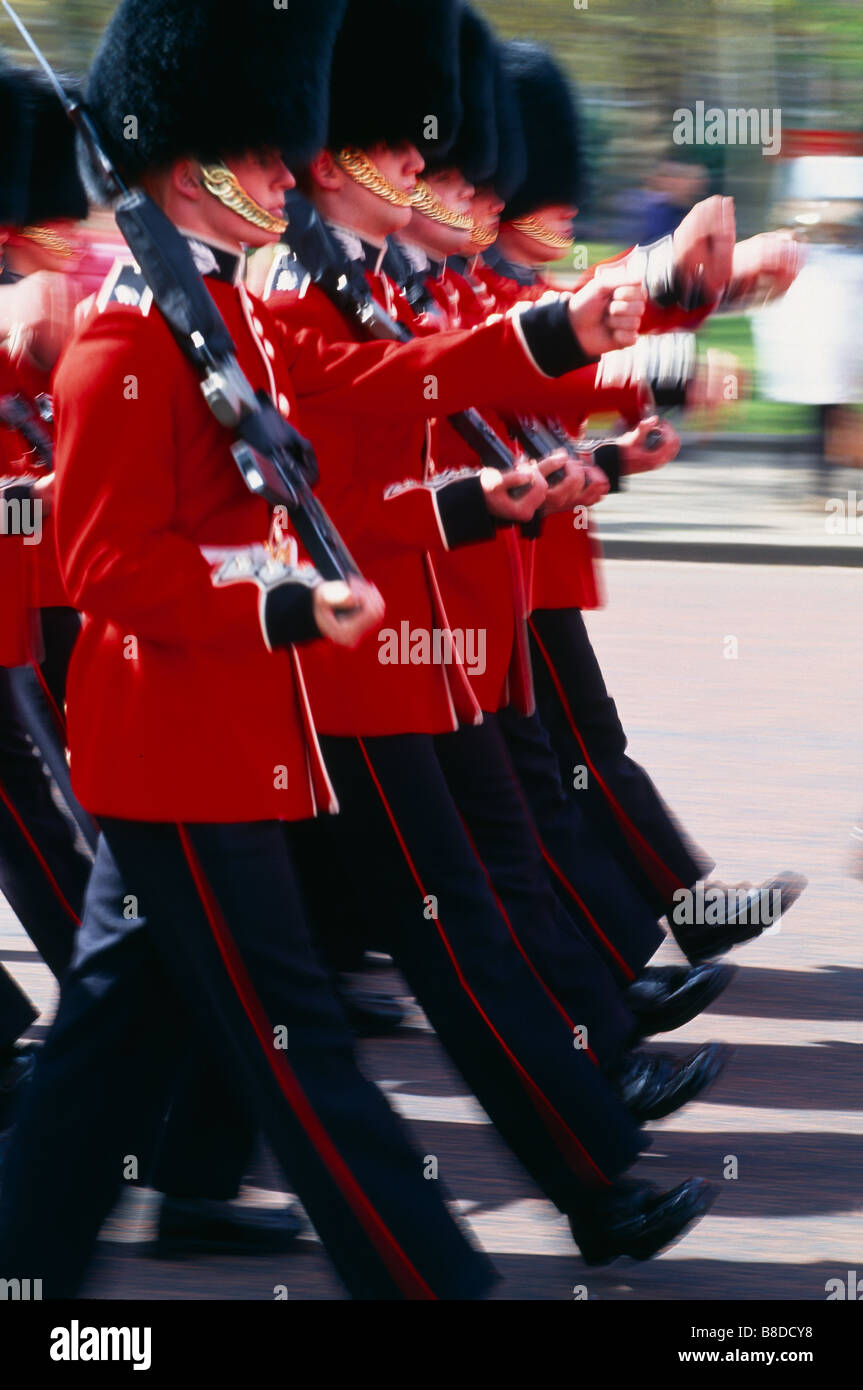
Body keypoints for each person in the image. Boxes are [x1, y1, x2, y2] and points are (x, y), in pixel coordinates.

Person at [0, 0, 498, 1303]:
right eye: (268, 149)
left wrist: (583, 334)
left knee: (101, 1052)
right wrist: (276, 602)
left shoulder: (225, 320)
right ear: (189, 157)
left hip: (216, 742)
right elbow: (102, 566)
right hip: (179, 751)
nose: (293, 167)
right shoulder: (124, 335)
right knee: (303, 1051)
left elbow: (375, 405)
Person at [260, 0, 719, 1263]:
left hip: (431, 644)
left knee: (426, 914)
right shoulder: (294, 285)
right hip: (356, 664)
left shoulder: (378, 280)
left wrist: (644, 363)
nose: (426, 166)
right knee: (444, 926)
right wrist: (590, 345)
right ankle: (591, 1170)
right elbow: (395, 417)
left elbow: (489, 388)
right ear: (327, 149)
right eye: (403, 147)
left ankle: (595, 1129)